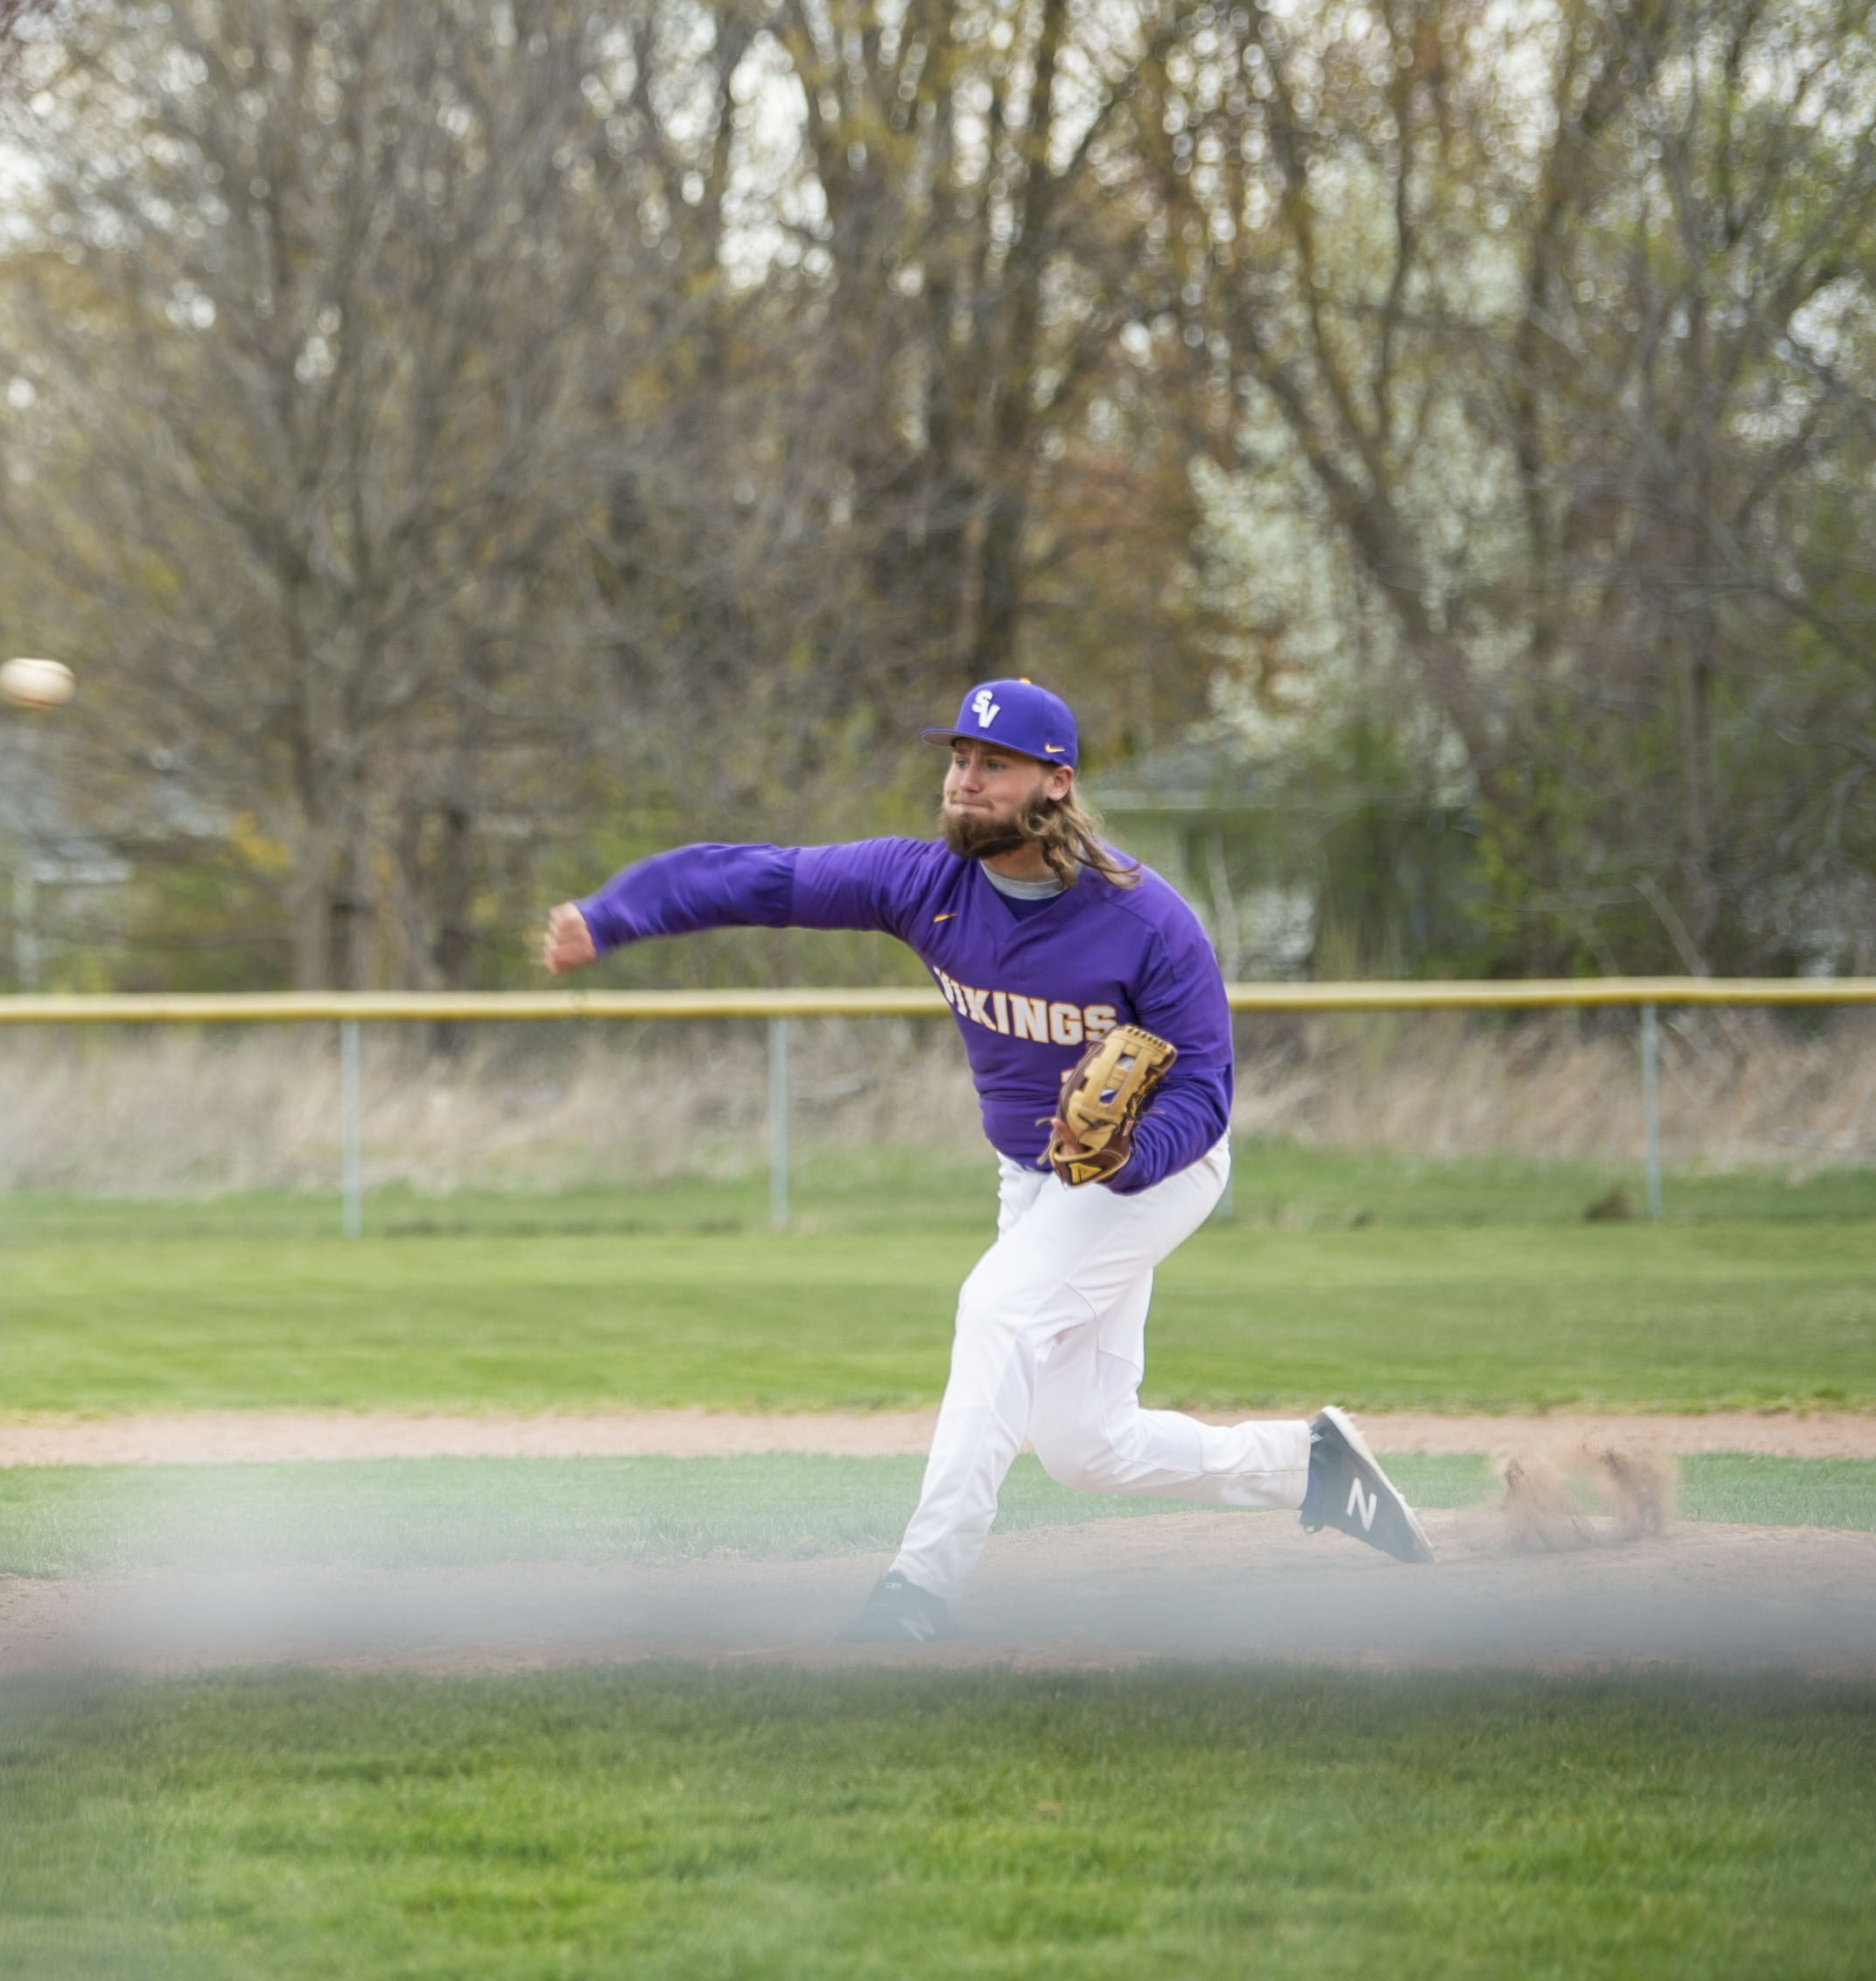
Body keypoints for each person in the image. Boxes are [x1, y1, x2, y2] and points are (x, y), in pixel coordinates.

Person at [541, 677, 1426, 1642]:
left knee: (994, 1305)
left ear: (1054, 782)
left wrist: (1128, 1156)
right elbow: (757, 875)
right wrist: (613, 915)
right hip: (1036, 1178)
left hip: (1157, 1168)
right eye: (957, 758)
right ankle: (1306, 1466)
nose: (962, 779)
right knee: (1086, 1446)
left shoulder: (1143, 919)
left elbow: (1206, 1094)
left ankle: (918, 1590)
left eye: (990, 765)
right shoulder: (921, 885)